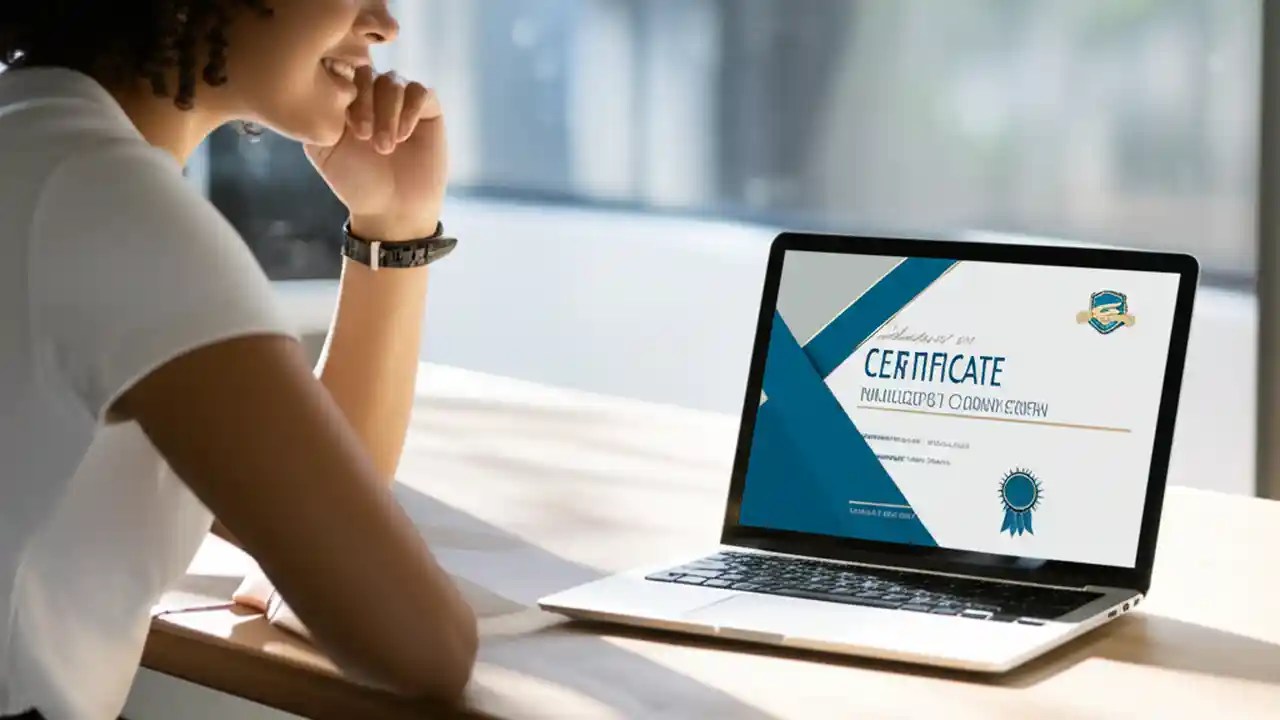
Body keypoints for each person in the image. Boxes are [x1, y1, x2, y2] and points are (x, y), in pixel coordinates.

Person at [0, 2, 479, 718]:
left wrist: (396, 224)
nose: (384, 23)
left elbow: (319, 518)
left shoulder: (34, 140)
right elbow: (421, 645)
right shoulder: (112, 203)